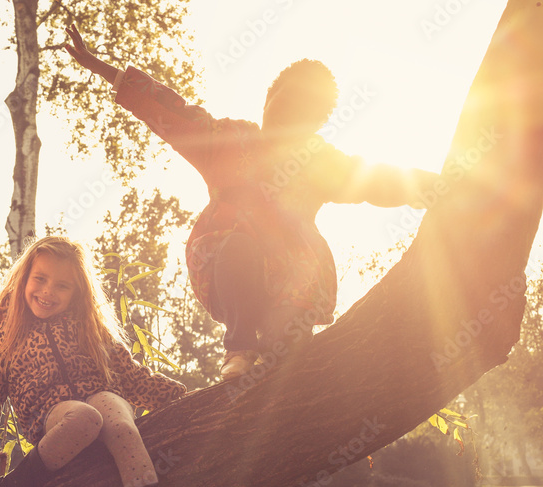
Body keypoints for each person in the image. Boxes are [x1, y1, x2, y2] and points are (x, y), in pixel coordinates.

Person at [64, 24, 441, 381]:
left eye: (302, 107)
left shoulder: (319, 161)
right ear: (267, 99)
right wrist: (100, 66)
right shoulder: (228, 139)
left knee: (284, 348)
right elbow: (169, 109)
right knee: (240, 247)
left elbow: (378, 179)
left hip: (293, 274)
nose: (286, 109)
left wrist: (440, 185)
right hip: (228, 262)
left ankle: (284, 363)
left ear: (314, 122)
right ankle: (239, 348)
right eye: (282, 97)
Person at [0, 236, 186, 487]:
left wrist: (177, 396)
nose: (48, 291)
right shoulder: (3, 327)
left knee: (123, 426)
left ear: (77, 291)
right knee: (84, 418)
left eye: (62, 285)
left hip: (101, 394)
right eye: (40, 279)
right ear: (24, 277)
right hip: (49, 412)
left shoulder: (87, 322)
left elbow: (128, 373)